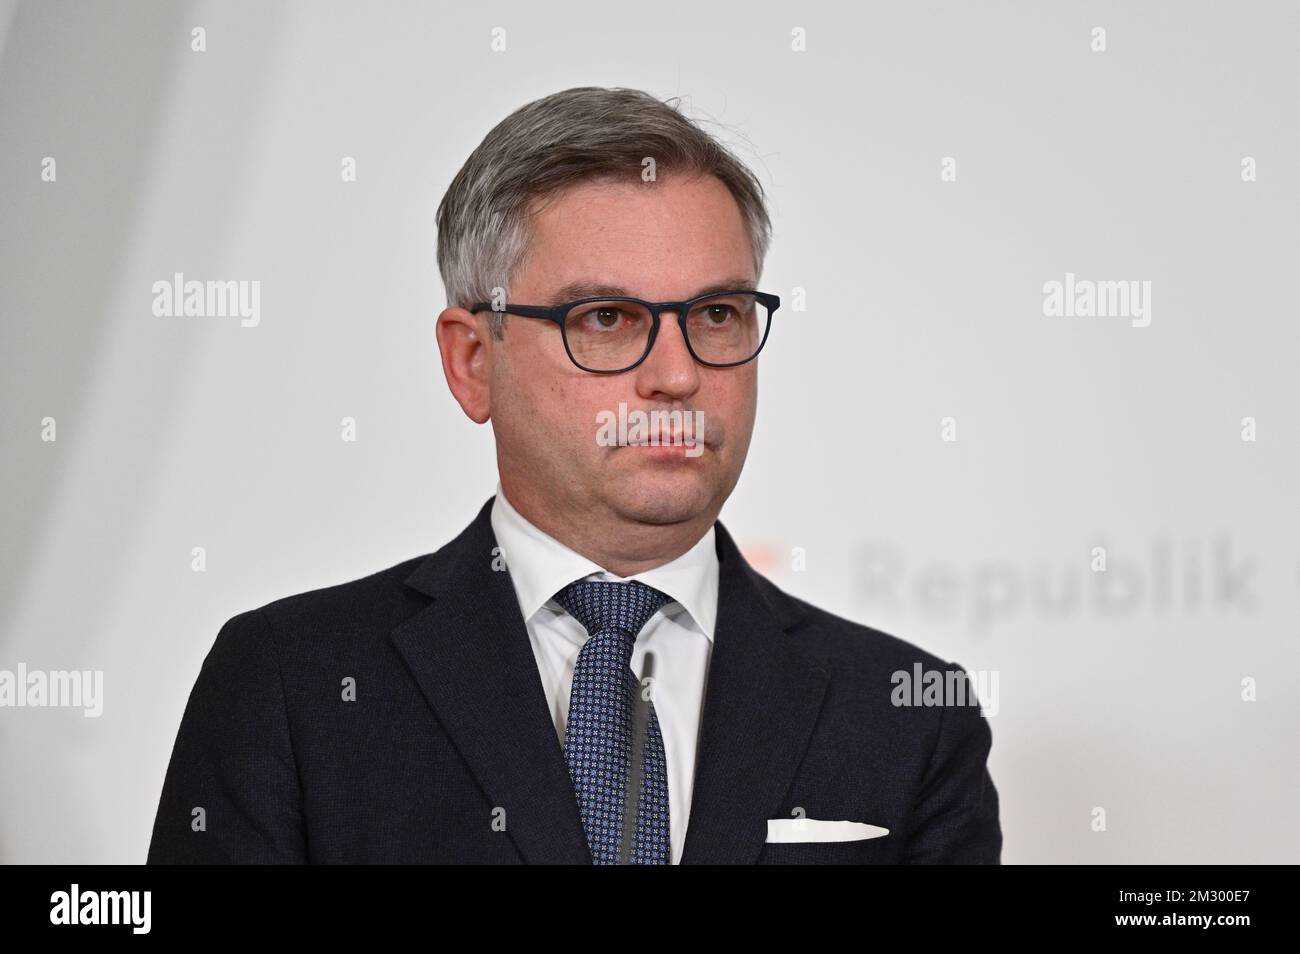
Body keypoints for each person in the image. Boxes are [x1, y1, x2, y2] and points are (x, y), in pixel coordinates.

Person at [147, 86, 1001, 864]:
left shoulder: (908, 715)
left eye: (716, 313)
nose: (676, 373)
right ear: (474, 360)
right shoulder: (288, 686)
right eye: (605, 318)